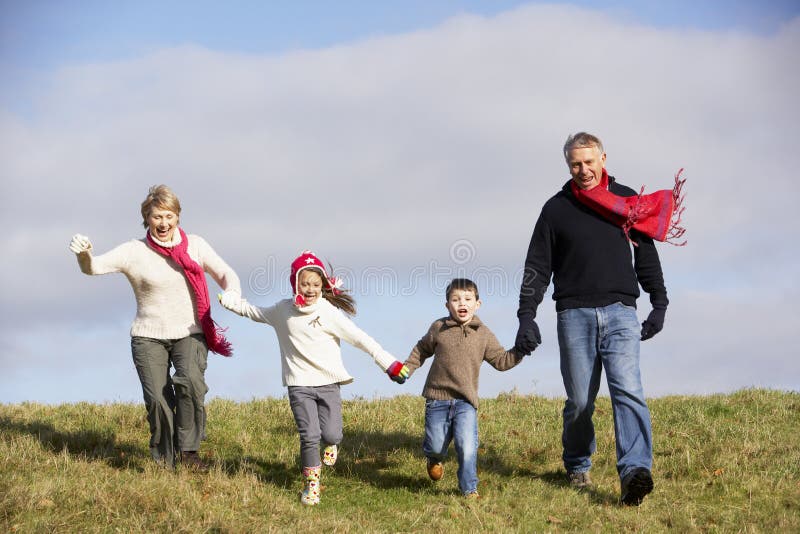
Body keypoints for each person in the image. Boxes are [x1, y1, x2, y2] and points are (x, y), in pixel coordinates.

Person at [515, 132, 685, 506]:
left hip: (621, 312)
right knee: (579, 401)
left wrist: (659, 303)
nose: (583, 170)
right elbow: (537, 267)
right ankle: (577, 462)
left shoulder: (625, 201)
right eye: (575, 164)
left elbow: (646, 256)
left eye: (589, 162)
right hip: (573, 314)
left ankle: (635, 472)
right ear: (568, 165)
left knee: (628, 391)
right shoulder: (555, 209)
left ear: (603, 159)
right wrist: (527, 315)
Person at [69, 184, 242, 470]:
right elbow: (93, 268)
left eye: (169, 216)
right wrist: (84, 254)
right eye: (157, 216)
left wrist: (232, 291)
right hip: (148, 336)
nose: (163, 223)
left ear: (178, 217)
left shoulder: (196, 245)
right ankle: (165, 460)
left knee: (191, 384)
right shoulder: (133, 250)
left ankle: (188, 453)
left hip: (191, 332)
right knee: (158, 400)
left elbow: (224, 272)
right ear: (146, 218)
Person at [218, 250, 409, 506]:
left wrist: (389, 363)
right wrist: (229, 301)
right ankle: (312, 486)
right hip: (299, 384)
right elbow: (253, 311)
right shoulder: (282, 311)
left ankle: (332, 444)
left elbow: (361, 339)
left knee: (331, 434)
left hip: (328, 383)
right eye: (304, 283)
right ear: (295, 282)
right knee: (308, 435)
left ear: (323, 286)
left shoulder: (328, 312)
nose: (309, 289)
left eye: (315, 285)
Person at [403, 278, 526, 499]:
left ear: (477, 304)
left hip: (466, 402)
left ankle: (469, 488)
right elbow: (421, 349)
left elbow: (501, 360)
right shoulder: (439, 328)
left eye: (468, 299)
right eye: (456, 299)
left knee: (467, 445)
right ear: (447, 305)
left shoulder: (483, 333)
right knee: (436, 446)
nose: (462, 303)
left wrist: (521, 350)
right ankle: (434, 458)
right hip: (437, 399)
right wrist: (407, 369)